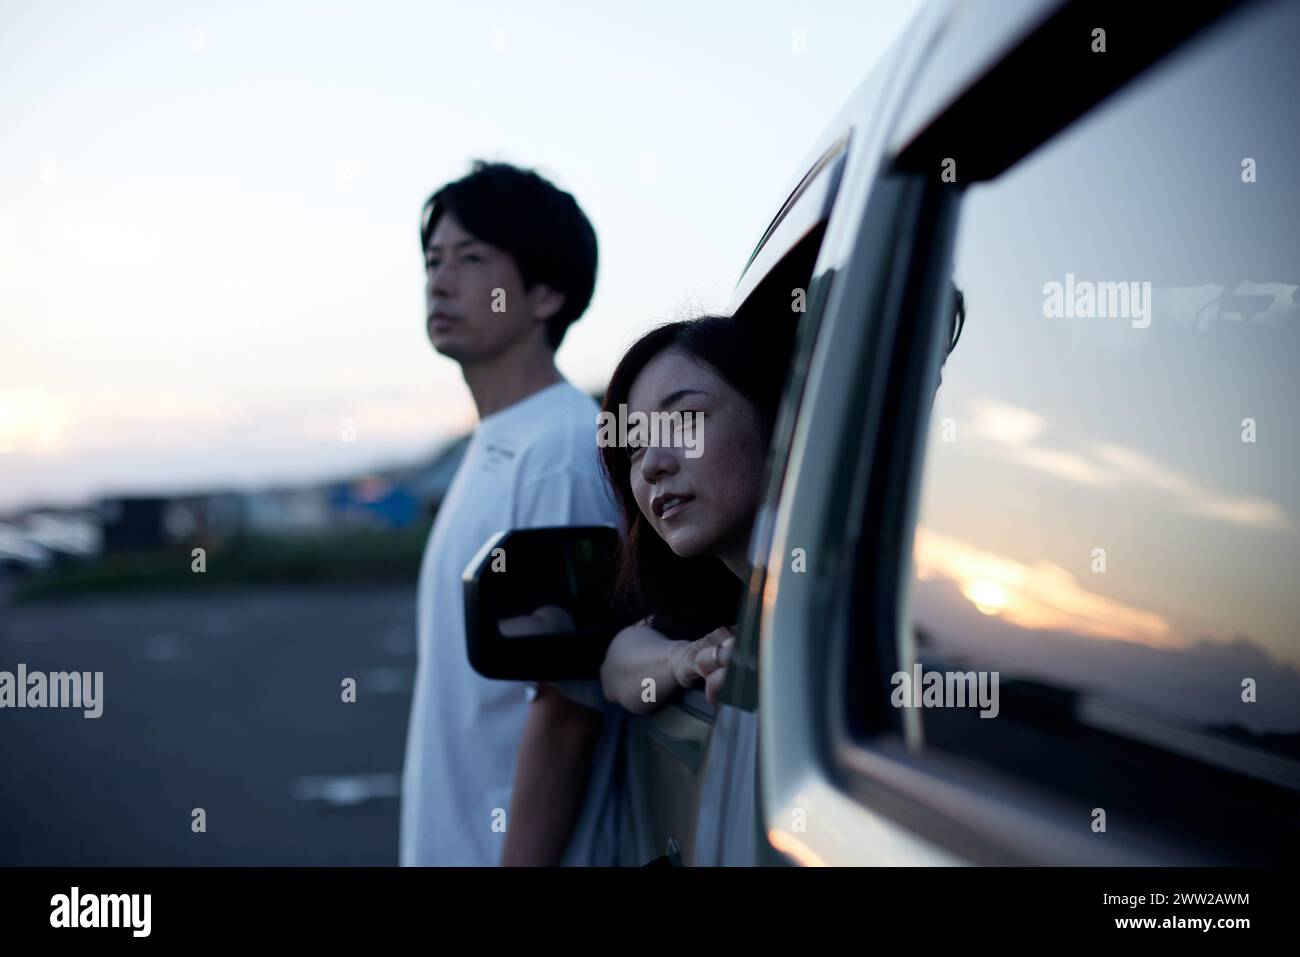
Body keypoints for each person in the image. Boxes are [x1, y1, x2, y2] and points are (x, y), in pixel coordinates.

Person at [400, 160, 619, 867]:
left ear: (547, 292)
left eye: (471, 258)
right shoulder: (500, 438)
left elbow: (566, 703)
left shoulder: (559, 448)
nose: (440, 278)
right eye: (434, 259)